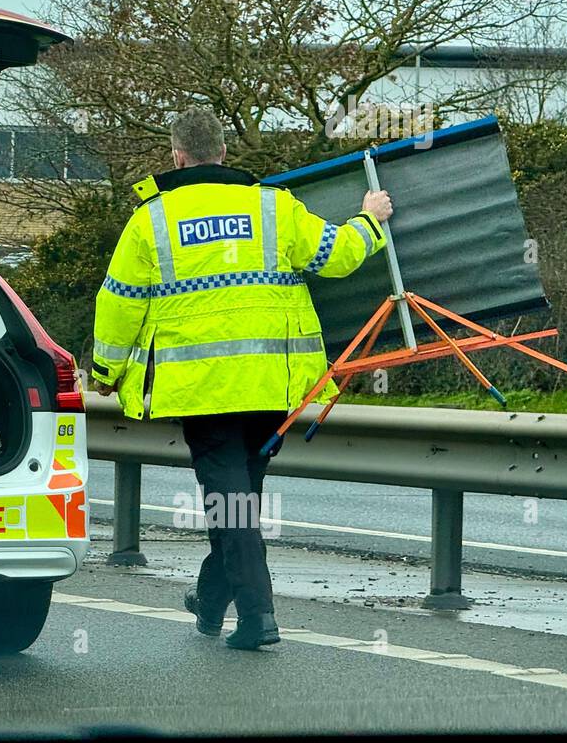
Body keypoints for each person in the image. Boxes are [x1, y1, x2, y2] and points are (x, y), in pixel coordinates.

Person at [90, 106, 393, 649]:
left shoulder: (152, 219)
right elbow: (338, 255)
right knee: (239, 503)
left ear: (176, 156)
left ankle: (257, 618)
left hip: (203, 391)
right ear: (225, 152)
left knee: (231, 505)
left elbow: (119, 304)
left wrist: (106, 373)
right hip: (273, 387)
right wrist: (370, 218)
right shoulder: (273, 206)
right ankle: (210, 602)